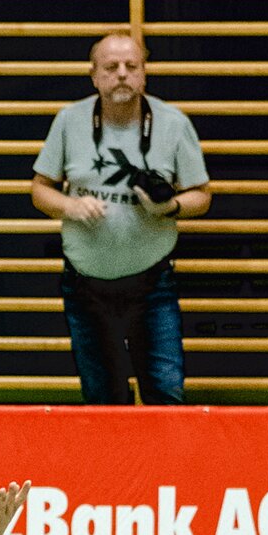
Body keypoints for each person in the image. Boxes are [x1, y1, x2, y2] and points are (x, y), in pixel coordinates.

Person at [31, 31, 211, 406]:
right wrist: (70, 207)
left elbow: (202, 196)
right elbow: (39, 189)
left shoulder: (173, 123)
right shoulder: (69, 120)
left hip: (152, 285)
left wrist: (170, 207)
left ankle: (164, 468)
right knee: (103, 402)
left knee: (166, 394)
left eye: (132, 66)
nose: (122, 75)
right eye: (111, 67)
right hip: (85, 287)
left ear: (144, 74)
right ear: (94, 76)